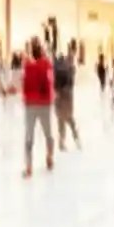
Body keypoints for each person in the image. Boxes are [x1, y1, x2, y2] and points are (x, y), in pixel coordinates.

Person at [21, 39, 55, 178]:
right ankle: (49, 157)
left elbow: (24, 84)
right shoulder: (47, 64)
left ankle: (29, 167)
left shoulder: (27, 66)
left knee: (29, 135)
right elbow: (50, 81)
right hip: (45, 103)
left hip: (30, 104)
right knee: (48, 133)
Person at [54, 47, 80, 151]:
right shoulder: (69, 70)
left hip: (61, 98)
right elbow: (69, 85)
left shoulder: (66, 69)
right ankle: (72, 140)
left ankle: (64, 142)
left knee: (64, 121)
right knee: (68, 121)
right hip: (65, 98)